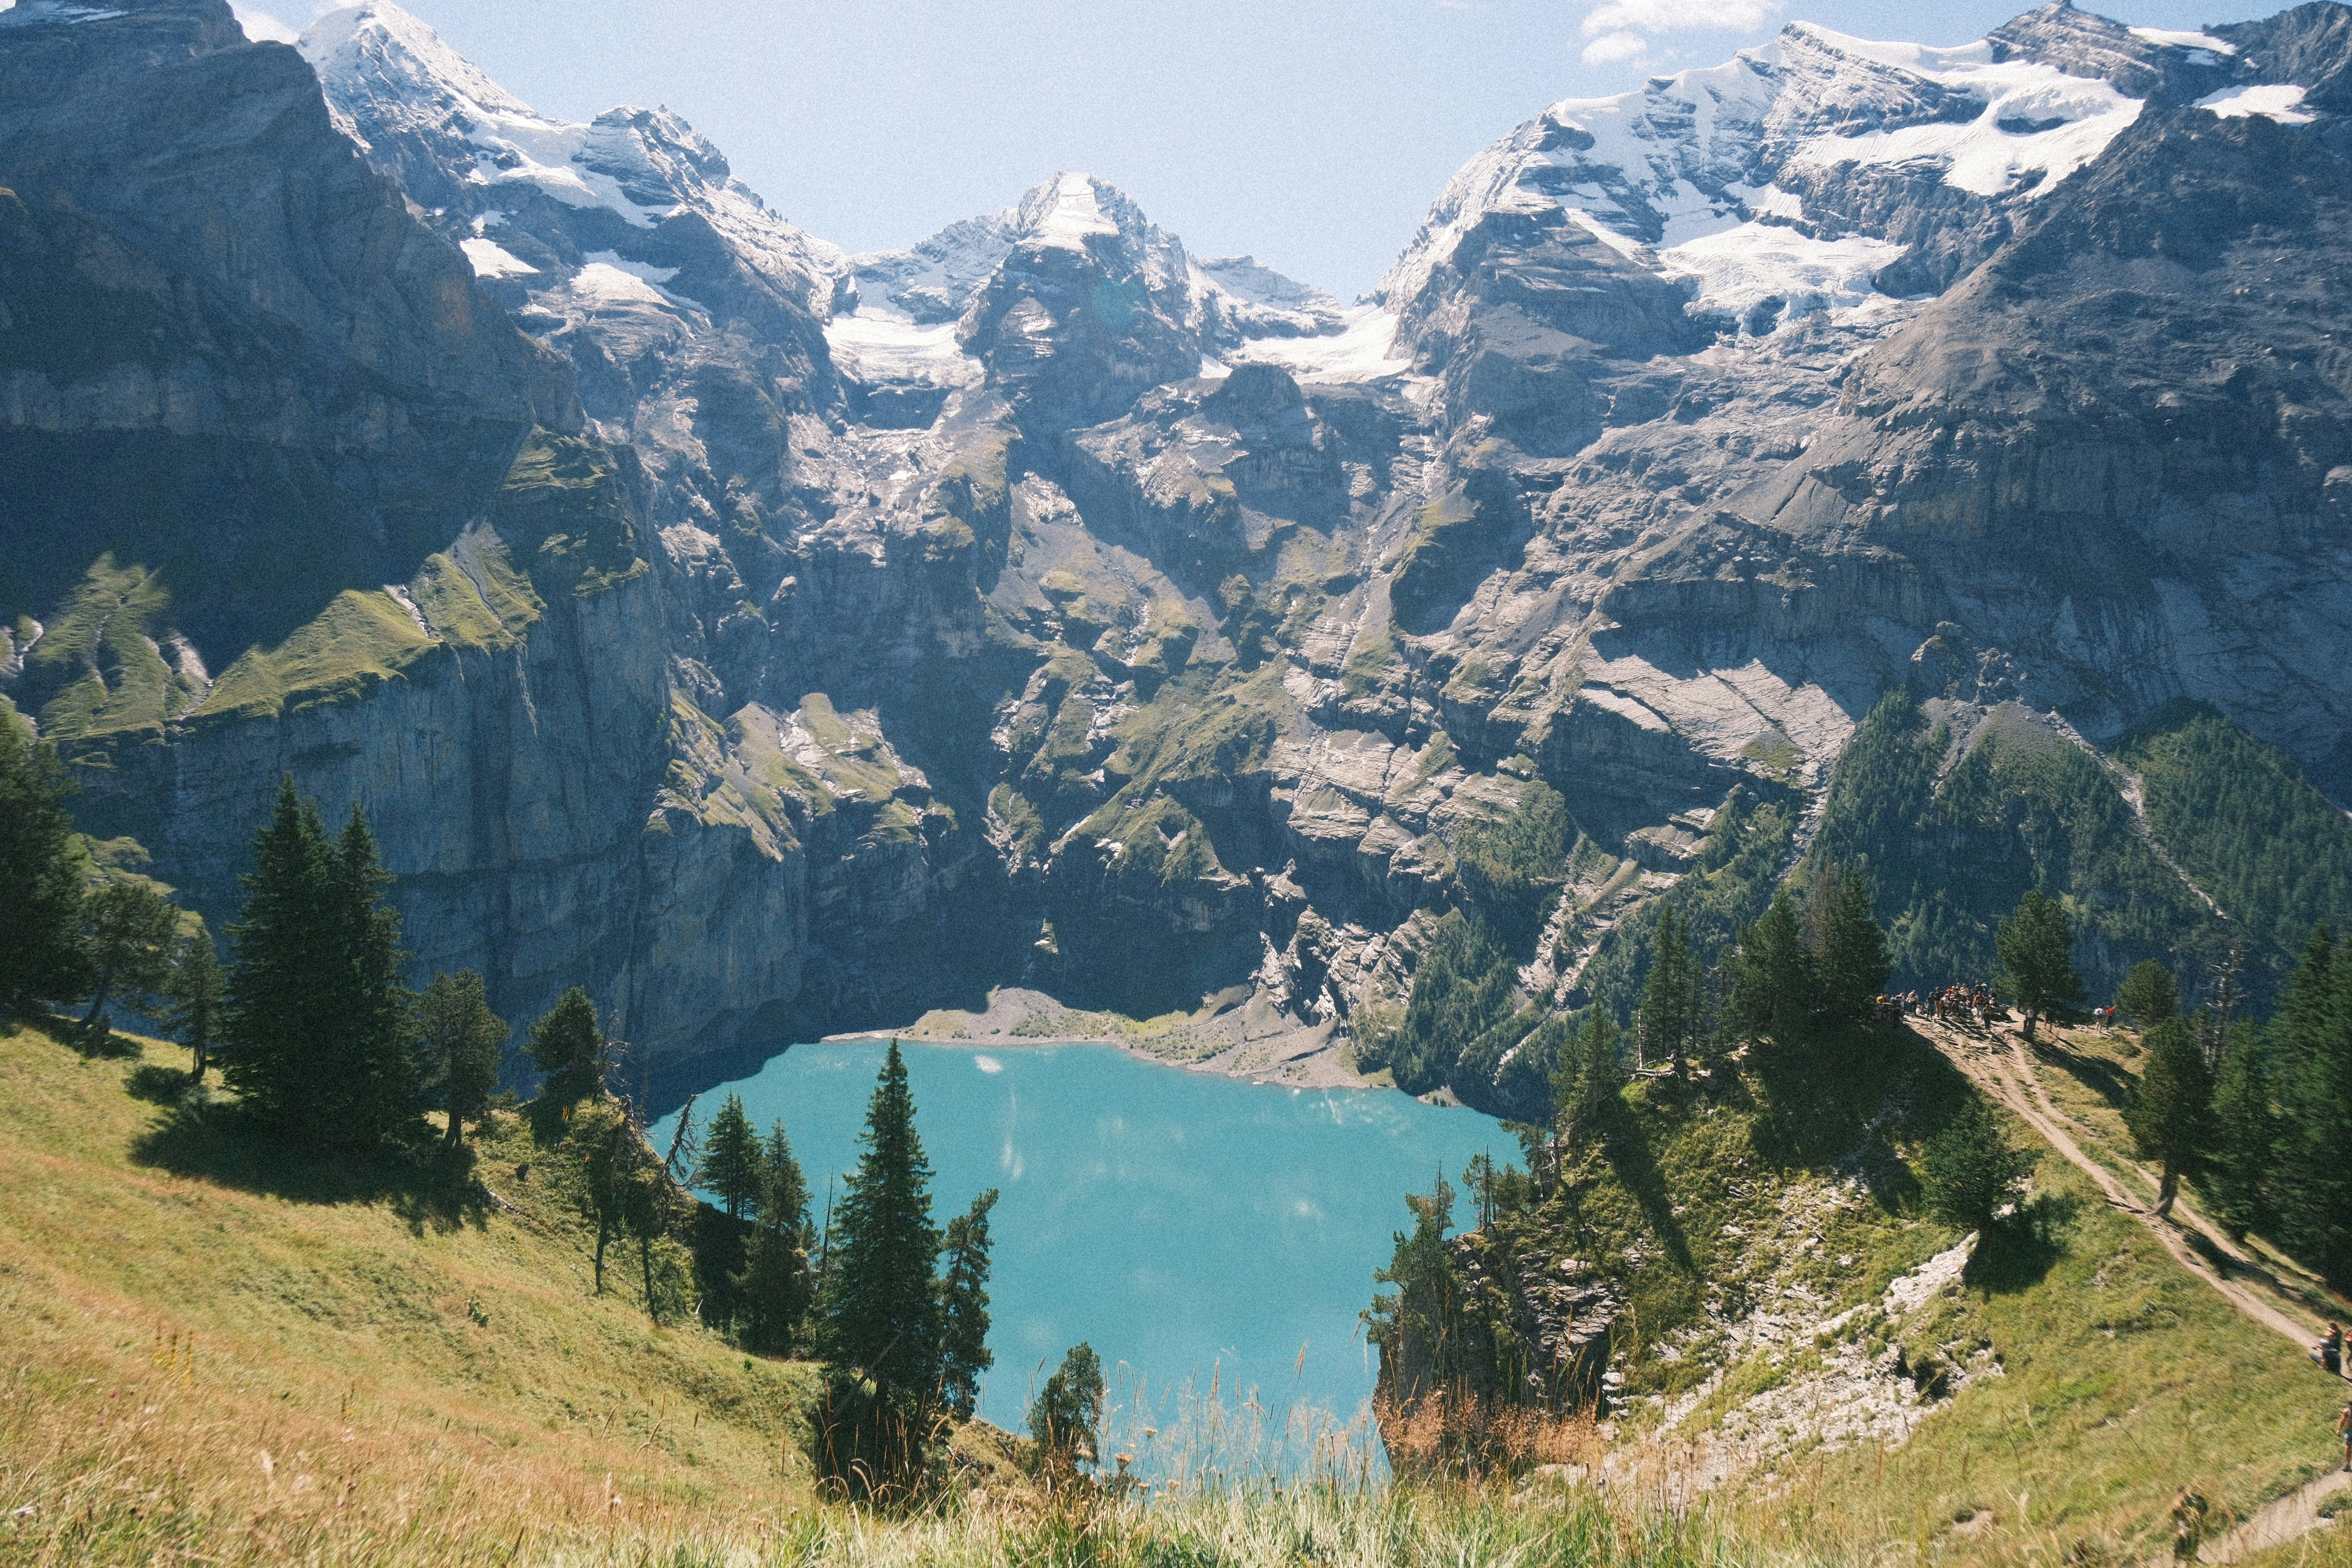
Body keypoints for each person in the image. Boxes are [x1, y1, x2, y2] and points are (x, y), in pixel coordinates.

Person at [2171, 1488, 2207, 1560]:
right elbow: (2176, 1513)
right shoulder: (2183, 1502)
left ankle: (2188, 1557)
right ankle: (2186, 1557)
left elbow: (2204, 1509)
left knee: (2190, 1540)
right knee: (2185, 1540)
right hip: (2189, 1526)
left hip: (2192, 1526)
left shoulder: (2194, 1500)